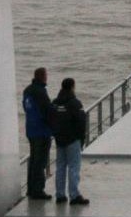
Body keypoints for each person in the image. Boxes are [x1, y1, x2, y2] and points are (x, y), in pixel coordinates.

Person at [50, 77, 90, 206]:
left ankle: (60, 195)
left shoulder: (55, 103)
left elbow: (50, 118)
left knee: (60, 167)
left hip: (59, 140)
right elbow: (81, 122)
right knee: (74, 167)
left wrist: (55, 134)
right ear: (72, 87)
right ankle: (74, 195)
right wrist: (82, 138)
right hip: (73, 140)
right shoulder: (75, 103)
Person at [21, 67, 55, 199]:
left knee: (34, 160)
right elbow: (47, 111)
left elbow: (26, 108)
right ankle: (38, 190)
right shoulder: (40, 92)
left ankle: (30, 188)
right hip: (42, 131)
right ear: (42, 76)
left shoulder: (27, 91)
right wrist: (53, 127)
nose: (47, 77)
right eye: (46, 75)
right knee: (40, 161)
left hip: (31, 130)